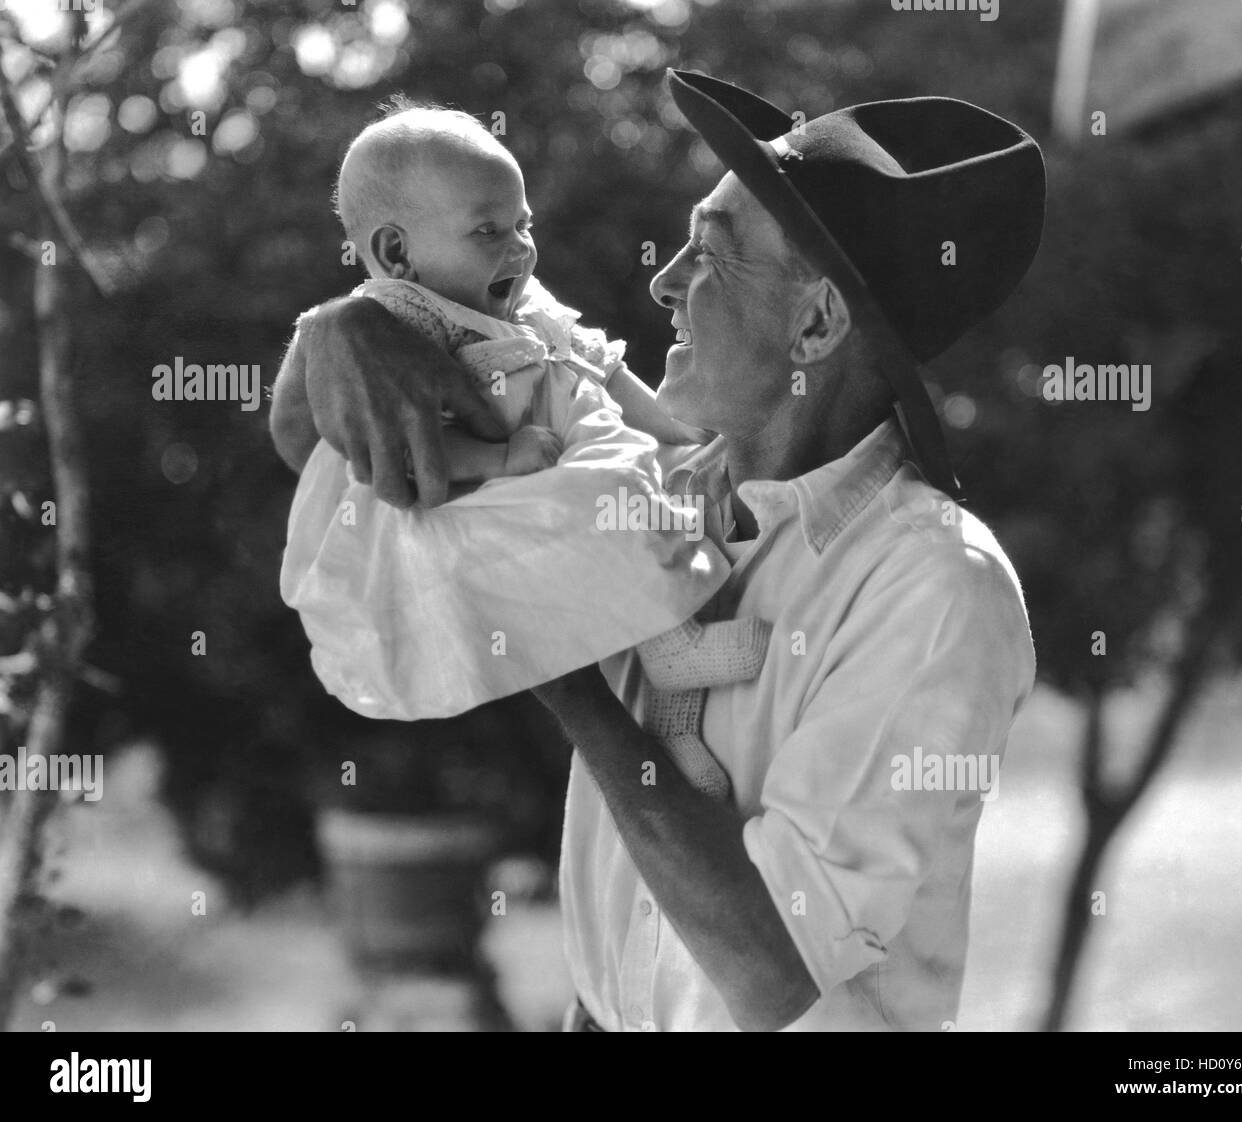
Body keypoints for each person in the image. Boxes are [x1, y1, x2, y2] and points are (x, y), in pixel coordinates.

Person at [271, 70, 1045, 1031]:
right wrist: (345, 326)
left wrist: (559, 667)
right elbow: (339, 457)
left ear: (816, 323)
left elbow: (776, 978)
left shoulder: (933, 590)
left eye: (711, 257)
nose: (663, 280)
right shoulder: (645, 490)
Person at [277, 103, 771, 794]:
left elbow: (601, 367)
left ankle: (680, 716)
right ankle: (677, 659)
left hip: (570, 455)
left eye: (523, 225)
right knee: (612, 513)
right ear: (396, 253)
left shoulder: (528, 303)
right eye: (489, 231)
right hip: (497, 494)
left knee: (637, 499)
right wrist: (498, 462)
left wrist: (680, 435)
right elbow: (409, 446)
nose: (519, 249)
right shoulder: (402, 323)